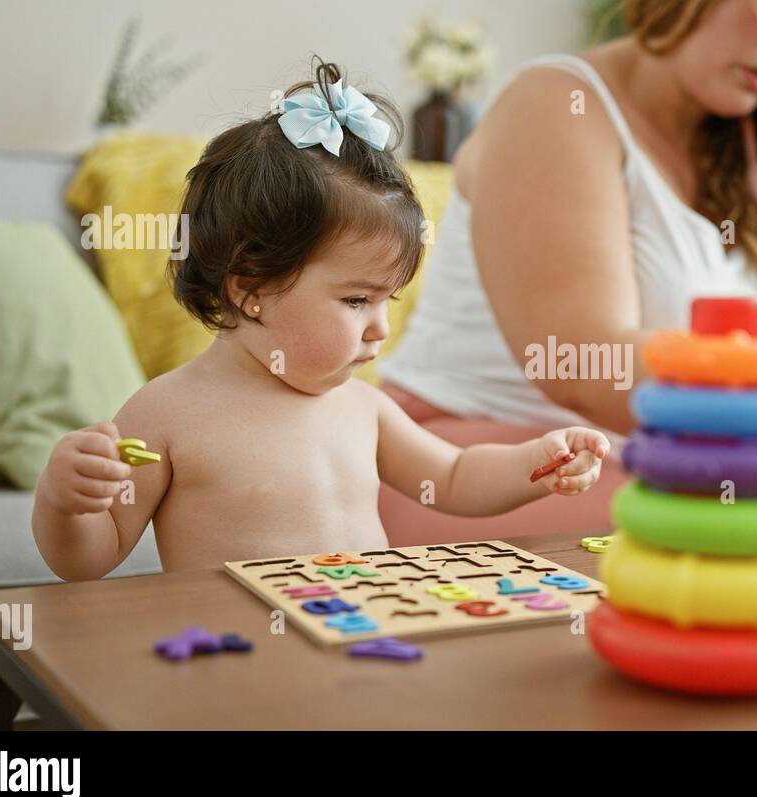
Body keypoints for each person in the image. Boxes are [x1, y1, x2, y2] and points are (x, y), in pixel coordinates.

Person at [376, 0, 757, 542]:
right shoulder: (556, 105)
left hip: (634, 452)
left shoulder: (735, 147)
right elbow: (579, 362)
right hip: (469, 460)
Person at [32, 60, 609, 578]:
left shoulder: (364, 407)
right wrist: (66, 502)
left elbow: (455, 477)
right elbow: (90, 559)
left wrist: (536, 462)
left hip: (365, 644)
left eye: (389, 300)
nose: (380, 327)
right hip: (242, 664)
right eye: (357, 301)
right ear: (250, 287)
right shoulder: (165, 414)